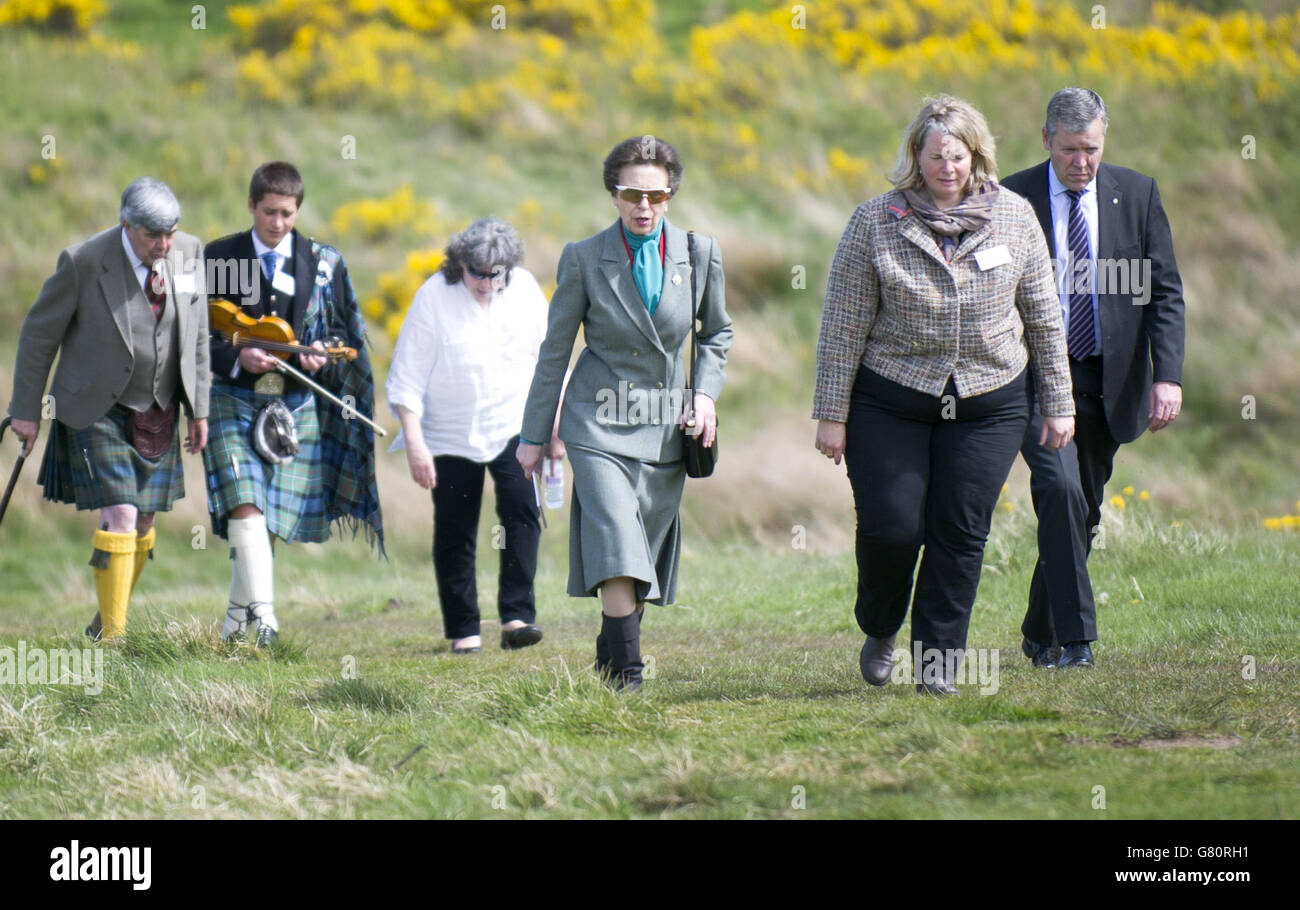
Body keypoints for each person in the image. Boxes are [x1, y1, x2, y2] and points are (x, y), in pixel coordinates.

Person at [813, 95, 1075, 695]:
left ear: (975, 155)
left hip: (988, 400)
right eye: (935, 157)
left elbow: (1043, 316)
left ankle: (937, 666)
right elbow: (843, 324)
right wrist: (831, 414)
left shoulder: (1015, 217)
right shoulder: (875, 221)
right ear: (916, 157)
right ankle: (880, 626)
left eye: (957, 156)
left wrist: (1059, 403)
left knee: (960, 531)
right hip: (892, 398)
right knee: (893, 528)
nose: (947, 168)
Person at [517, 136, 732, 691]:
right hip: (596, 425)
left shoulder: (700, 252)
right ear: (613, 194)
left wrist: (704, 395)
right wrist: (534, 435)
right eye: (632, 194)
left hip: (666, 429)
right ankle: (630, 678)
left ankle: (612, 649)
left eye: (656, 196)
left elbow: (717, 334)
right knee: (616, 543)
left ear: (670, 195)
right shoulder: (583, 258)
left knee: (644, 559)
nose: (644, 206)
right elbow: (555, 350)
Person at [1004, 88, 1186, 670]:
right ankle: (1076, 641)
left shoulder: (1137, 193)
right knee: (1059, 491)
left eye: (1091, 149)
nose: (1081, 162)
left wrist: (1168, 376)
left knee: (1081, 509)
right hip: (1033, 374)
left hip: (1110, 379)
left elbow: (1164, 293)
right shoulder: (1010, 196)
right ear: (1046, 140)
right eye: (1068, 150)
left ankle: (1039, 630)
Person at [7, 177, 209, 640]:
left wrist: (199, 409)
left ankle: (105, 621)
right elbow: (40, 334)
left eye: (171, 233)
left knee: (143, 522)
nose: (163, 244)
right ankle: (116, 640)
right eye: (152, 235)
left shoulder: (188, 254)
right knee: (120, 513)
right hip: (95, 406)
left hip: (157, 409)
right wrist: (26, 410)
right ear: (126, 225)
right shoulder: (83, 261)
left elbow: (196, 334)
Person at [203, 161, 383, 646]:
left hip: (295, 402)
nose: (277, 223)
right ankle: (266, 619)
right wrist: (238, 356)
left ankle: (234, 625)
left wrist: (325, 352)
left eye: (286, 213)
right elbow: (195, 335)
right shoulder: (220, 257)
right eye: (268, 212)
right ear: (251, 205)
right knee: (245, 504)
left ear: (298, 209)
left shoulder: (326, 262)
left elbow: (348, 333)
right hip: (232, 396)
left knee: (268, 521)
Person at [386, 220, 554, 654]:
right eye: (477, 272)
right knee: (455, 529)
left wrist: (554, 427)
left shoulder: (525, 290)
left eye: (496, 273)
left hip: (515, 424)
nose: (486, 282)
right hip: (448, 432)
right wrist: (415, 443)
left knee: (522, 512)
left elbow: (548, 360)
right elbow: (406, 376)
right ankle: (465, 631)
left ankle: (517, 618)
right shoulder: (433, 297)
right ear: (459, 263)